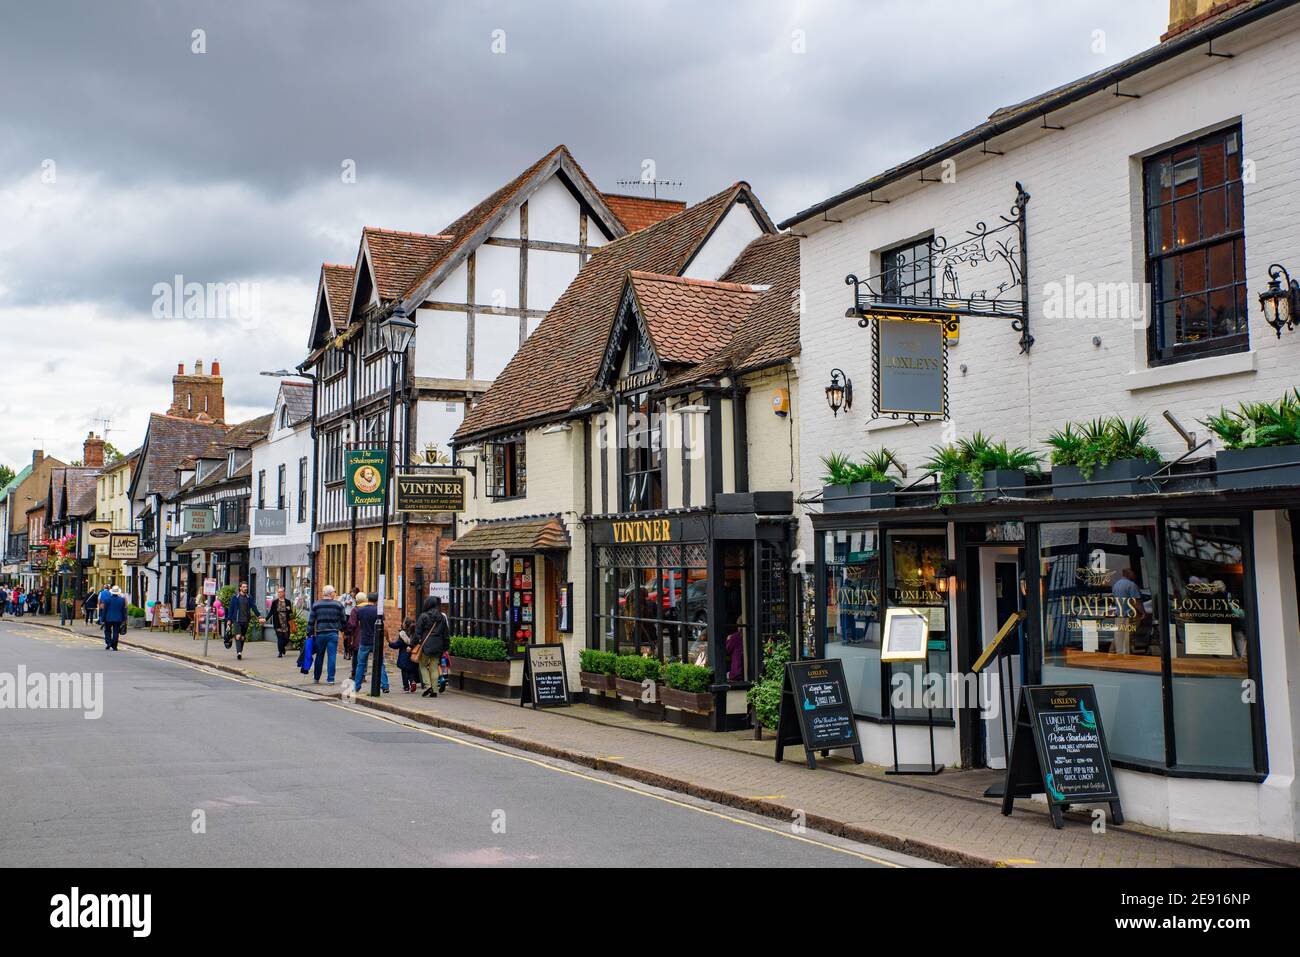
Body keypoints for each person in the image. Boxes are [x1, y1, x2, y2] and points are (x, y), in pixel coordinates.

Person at [307, 585, 346, 684]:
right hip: (333, 634)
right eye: (334, 592)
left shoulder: (316, 605)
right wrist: (343, 630)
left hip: (320, 634)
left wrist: (309, 633)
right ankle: (330, 679)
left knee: (319, 656)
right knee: (332, 656)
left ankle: (316, 678)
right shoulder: (338, 605)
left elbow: (311, 621)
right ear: (330, 593)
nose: (335, 594)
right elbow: (343, 621)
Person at [351, 592, 389, 694]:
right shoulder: (379, 611)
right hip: (376, 641)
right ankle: (385, 685)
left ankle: (357, 686)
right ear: (377, 600)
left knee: (361, 665)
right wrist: (387, 639)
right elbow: (384, 628)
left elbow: (356, 624)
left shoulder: (361, 610)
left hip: (364, 640)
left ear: (367, 599)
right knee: (380, 664)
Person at [413, 595, 449, 698]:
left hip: (426, 645)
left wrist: (413, 645)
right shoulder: (441, 617)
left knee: (423, 665)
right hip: (438, 645)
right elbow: (445, 633)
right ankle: (434, 690)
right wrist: (446, 646)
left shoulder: (423, 616)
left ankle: (428, 685)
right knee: (434, 667)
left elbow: (417, 633)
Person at [1111, 567, 1143, 656]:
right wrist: (1143, 612)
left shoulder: (1116, 585)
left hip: (1119, 613)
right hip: (1129, 614)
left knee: (1119, 634)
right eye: (1133, 573)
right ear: (1128, 574)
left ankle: (1115, 652)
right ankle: (1125, 654)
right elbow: (1135, 601)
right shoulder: (1131, 585)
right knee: (1127, 635)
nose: (1135, 575)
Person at [226, 582, 262, 660]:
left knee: (242, 637)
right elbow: (231, 609)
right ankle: (239, 653)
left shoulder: (249, 597)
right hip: (237, 620)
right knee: (238, 636)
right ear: (240, 588)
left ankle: (240, 651)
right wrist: (229, 619)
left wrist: (259, 616)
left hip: (246, 620)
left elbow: (254, 607)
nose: (245, 588)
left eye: (246, 587)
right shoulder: (235, 597)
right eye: (244, 587)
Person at [389, 618, 420, 693]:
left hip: (404, 656)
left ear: (405, 625)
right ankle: (412, 681)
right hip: (413, 656)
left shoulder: (403, 634)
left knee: (405, 672)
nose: (402, 624)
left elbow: (397, 644)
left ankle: (406, 687)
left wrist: (390, 643)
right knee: (411, 671)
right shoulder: (415, 633)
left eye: (403, 622)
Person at [266, 587, 294, 658]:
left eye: (281, 592)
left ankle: (282, 647)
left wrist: (289, 611)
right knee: (280, 638)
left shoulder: (288, 602)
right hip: (278, 623)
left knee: (287, 638)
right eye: (278, 592)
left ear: (284, 593)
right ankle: (280, 652)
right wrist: (265, 619)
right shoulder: (275, 602)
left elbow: (291, 613)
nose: (279, 593)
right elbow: (271, 612)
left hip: (286, 623)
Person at [101, 585, 127, 650]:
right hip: (118, 618)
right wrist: (124, 619)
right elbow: (123, 610)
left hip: (108, 618)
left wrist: (103, 618)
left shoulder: (107, 599)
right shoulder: (122, 600)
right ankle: (114, 646)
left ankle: (109, 643)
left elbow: (105, 610)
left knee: (107, 631)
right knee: (116, 632)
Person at [341, 587, 360, 661]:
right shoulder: (345, 596)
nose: (352, 594)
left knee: (354, 634)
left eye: (354, 592)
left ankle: (352, 650)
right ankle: (346, 651)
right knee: (346, 635)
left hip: (355, 617)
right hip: (347, 616)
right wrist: (345, 602)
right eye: (352, 592)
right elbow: (338, 603)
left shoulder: (358, 599)